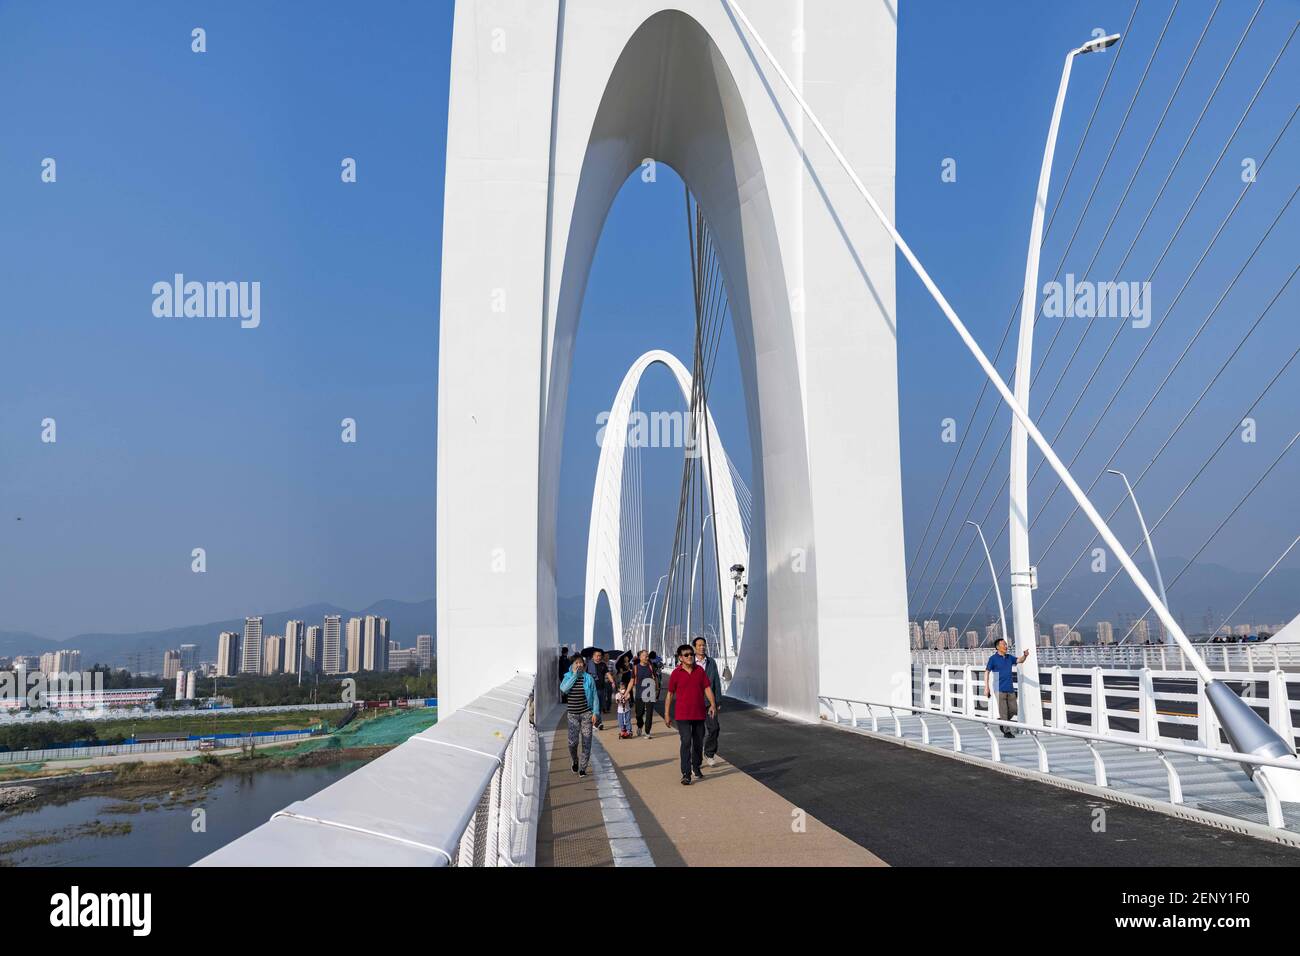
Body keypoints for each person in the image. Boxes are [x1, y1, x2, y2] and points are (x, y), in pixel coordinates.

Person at [664, 644, 717, 786]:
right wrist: (667, 714)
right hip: (682, 715)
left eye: (691, 654)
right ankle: (686, 774)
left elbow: (707, 688)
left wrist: (712, 704)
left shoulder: (700, 671)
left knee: (698, 743)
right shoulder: (676, 673)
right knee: (686, 742)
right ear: (680, 658)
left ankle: (696, 766)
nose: (690, 657)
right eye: (686, 655)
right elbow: (669, 694)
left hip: (699, 713)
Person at [559, 656, 599, 775]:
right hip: (572, 715)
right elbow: (564, 689)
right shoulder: (567, 677)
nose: (579, 665)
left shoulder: (588, 678)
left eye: (581, 663)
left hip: (586, 713)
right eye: (576, 663)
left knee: (587, 741)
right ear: (572, 665)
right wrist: (575, 676)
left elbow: (595, 696)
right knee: (572, 742)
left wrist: (595, 713)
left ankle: (583, 768)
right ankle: (575, 760)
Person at [984, 638, 1030, 738]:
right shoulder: (993, 659)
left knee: (1014, 709)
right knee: (1003, 711)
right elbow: (987, 671)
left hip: (1010, 687)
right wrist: (986, 687)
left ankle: (1002, 722)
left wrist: (1025, 655)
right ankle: (1007, 731)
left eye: (1006, 644)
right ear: (997, 647)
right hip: (998, 688)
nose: (1006, 646)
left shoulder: (1009, 657)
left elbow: (1019, 660)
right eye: (1004, 644)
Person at [692, 636, 722, 766]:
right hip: (694, 703)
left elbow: (716, 681)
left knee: (714, 728)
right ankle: (696, 758)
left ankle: (709, 753)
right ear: (694, 647)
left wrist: (717, 701)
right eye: (699, 645)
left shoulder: (711, 662)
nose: (702, 647)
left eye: (703, 645)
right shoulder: (690, 662)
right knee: (698, 732)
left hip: (709, 702)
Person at [627, 649, 658, 739]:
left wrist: (656, 691)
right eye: (645, 656)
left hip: (650, 693)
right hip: (639, 694)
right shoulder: (635, 667)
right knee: (639, 714)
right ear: (640, 657)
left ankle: (647, 732)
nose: (647, 657)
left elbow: (655, 678)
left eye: (647, 656)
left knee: (649, 714)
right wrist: (626, 693)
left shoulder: (651, 667)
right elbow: (632, 680)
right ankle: (640, 726)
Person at [590, 649, 616, 729]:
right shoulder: (589, 665)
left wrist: (612, 682)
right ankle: (597, 723)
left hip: (602, 688)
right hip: (593, 689)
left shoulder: (603, 665)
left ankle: (596, 722)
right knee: (595, 706)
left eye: (600, 656)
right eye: (596, 656)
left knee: (601, 706)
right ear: (593, 656)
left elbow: (608, 674)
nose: (598, 657)